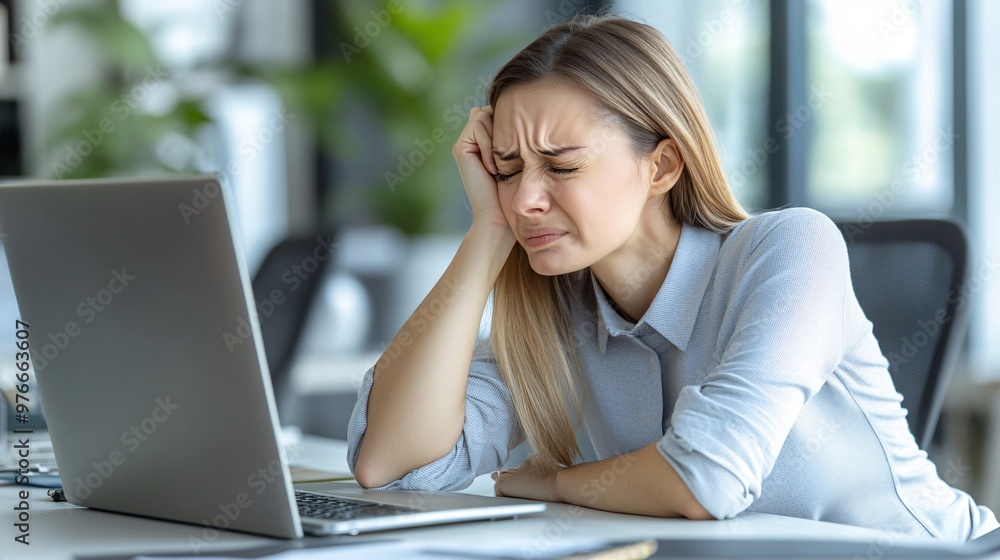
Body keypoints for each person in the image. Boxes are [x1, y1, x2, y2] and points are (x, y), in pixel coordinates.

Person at [346, 13, 998, 541]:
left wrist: (552, 482)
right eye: (508, 169)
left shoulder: (791, 248)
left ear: (661, 168)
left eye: (562, 167)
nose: (523, 201)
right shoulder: (555, 321)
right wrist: (484, 236)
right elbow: (390, 463)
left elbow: (706, 480)